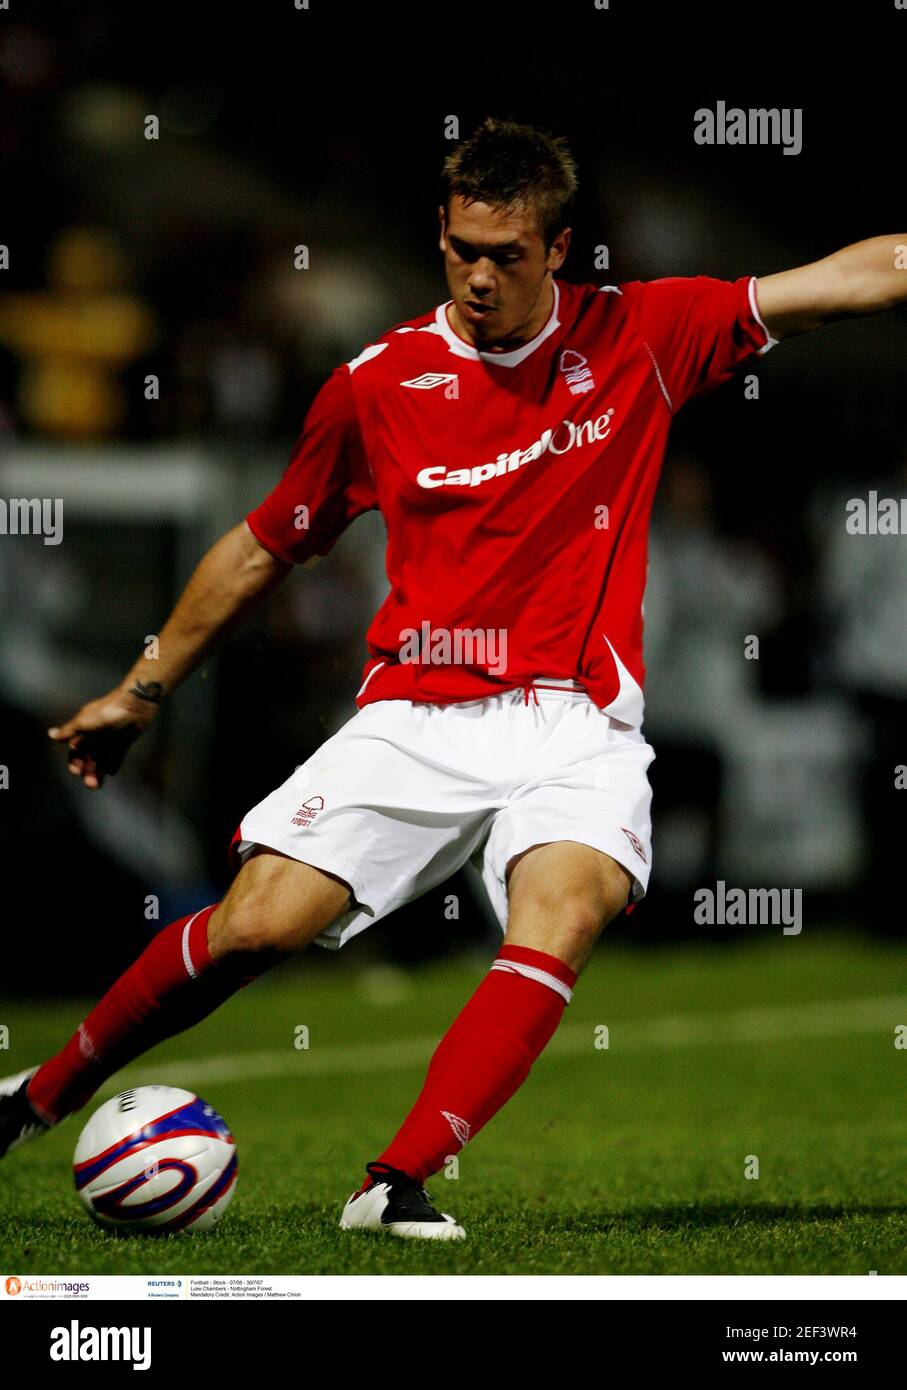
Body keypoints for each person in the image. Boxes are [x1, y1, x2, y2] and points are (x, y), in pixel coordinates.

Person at [2, 119, 904, 1241]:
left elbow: (852, 278)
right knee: (253, 929)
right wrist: (139, 691)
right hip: (415, 715)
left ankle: (394, 1182)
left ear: (558, 249)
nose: (481, 276)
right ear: (440, 232)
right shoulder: (376, 384)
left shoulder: (643, 333)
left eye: (508, 255)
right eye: (462, 249)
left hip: (576, 722)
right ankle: (38, 1096)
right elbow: (260, 547)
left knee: (564, 909)